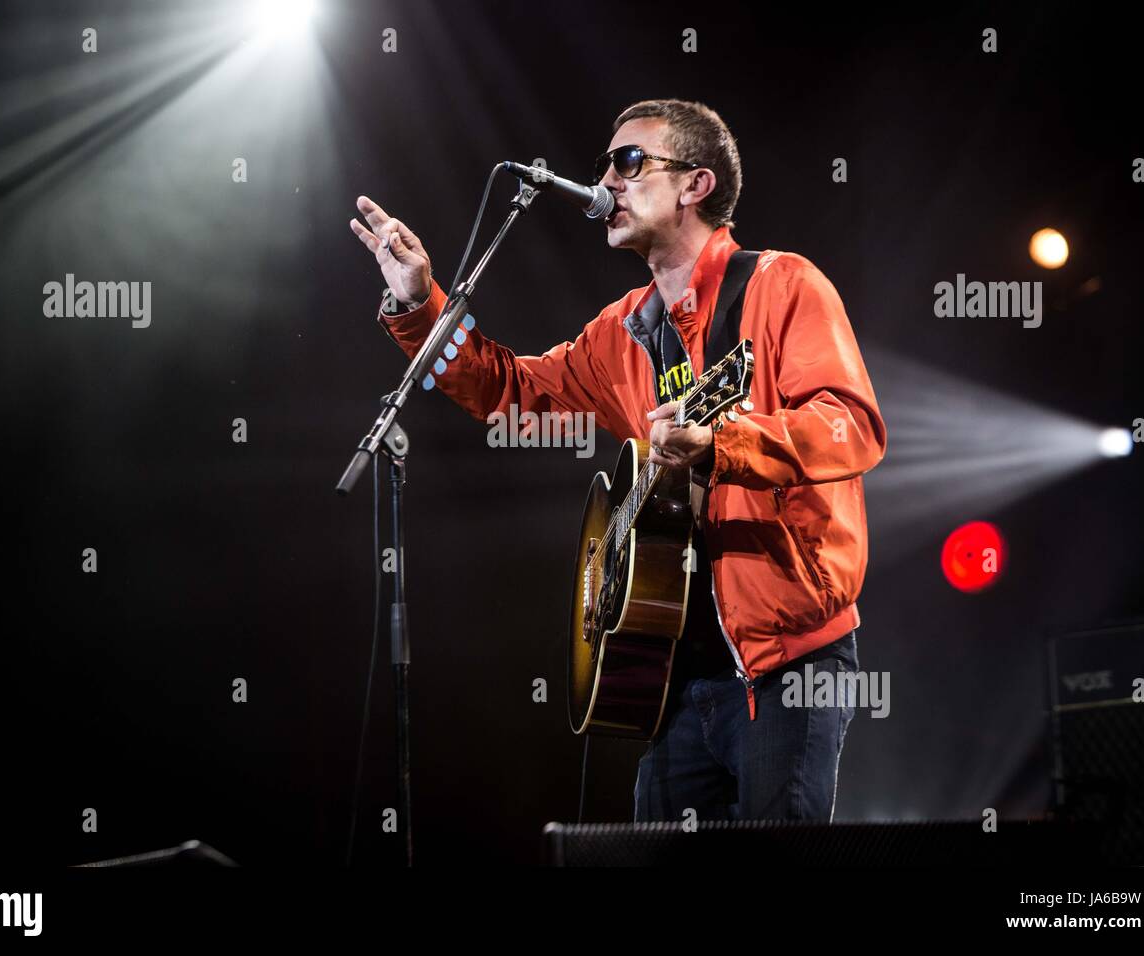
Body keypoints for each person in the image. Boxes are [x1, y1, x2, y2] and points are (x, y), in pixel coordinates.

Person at [349, 99, 887, 823]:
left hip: (787, 665)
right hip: (668, 673)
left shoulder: (783, 285)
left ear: (695, 185)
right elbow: (511, 394)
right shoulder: (621, 331)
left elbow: (850, 426)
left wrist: (722, 443)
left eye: (628, 162)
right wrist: (419, 303)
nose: (605, 179)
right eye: (607, 163)